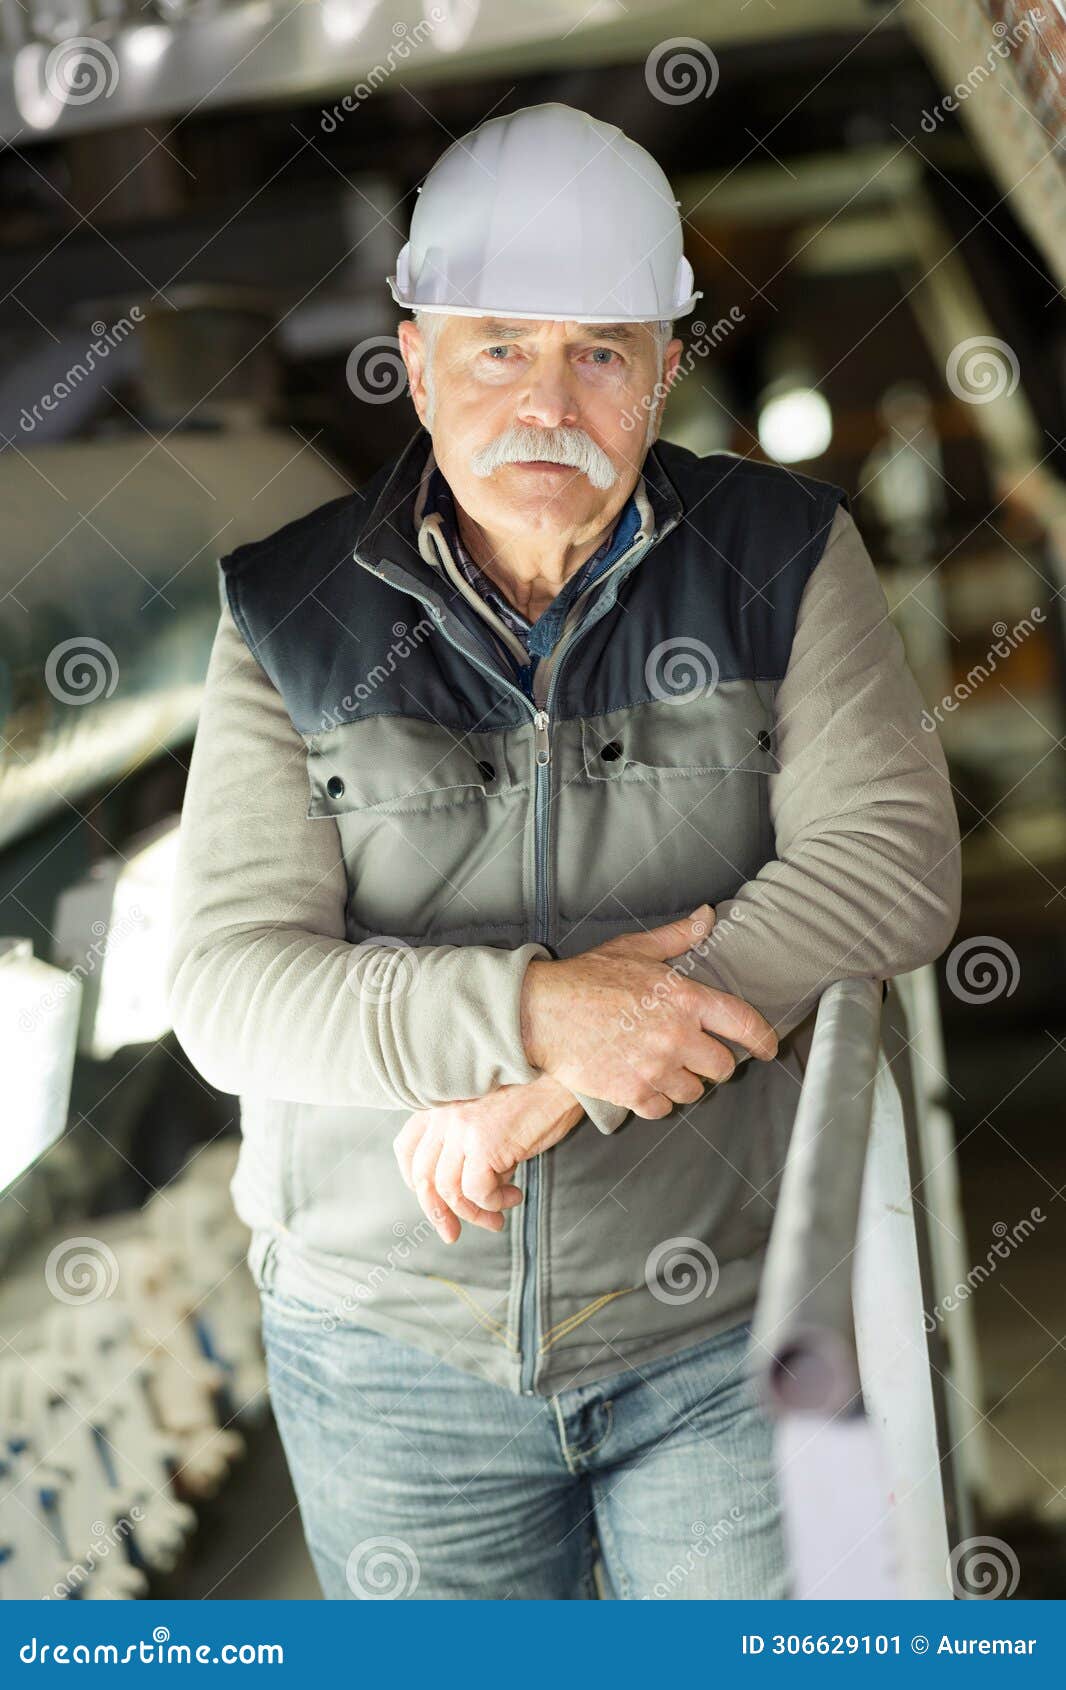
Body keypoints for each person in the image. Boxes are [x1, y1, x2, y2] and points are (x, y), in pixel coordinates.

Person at [166, 102, 961, 1599]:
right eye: (497, 348)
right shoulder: (285, 611)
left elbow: (890, 863)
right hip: (387, 1348)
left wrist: (553, 1087)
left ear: (665, 368)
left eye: (599, 351)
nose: (550, 400)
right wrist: (537, 1013)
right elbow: (226, 987)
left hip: (713, 1330)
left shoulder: (781, 557)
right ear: (413, 365)